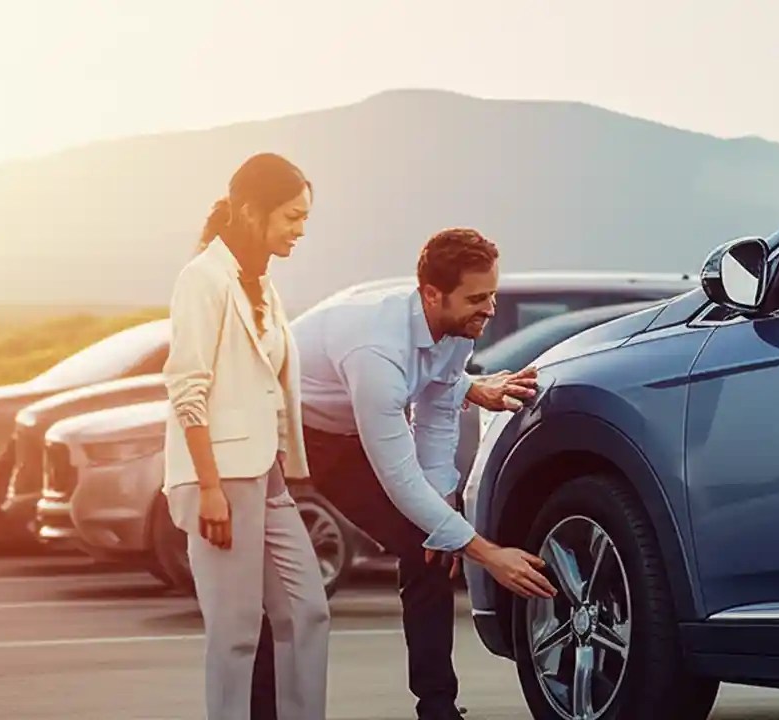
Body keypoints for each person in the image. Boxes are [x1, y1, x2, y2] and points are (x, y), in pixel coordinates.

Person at [254, 227, 558, 720]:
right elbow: (397, 475)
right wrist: (486, 553)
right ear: (432, 295)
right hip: (287, 430)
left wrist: (444, 522)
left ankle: (437, 708)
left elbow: (436, 422)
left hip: (345, 427)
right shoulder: (376, 353)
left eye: (493, 294)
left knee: (430, 550)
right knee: (280, 586)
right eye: (477, 298)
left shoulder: (458, 329)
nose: (490, 309)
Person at [163, 152, 330, 720]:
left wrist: (283, 462)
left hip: (266, 476)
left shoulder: (262, 282)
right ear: (252, 211)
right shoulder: (203, 279)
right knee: (235, 634)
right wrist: (209, 488)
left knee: (307, 610)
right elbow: (187, 387)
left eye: (304, 217)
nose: (300, 230)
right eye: (291, 217)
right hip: (221, 478)